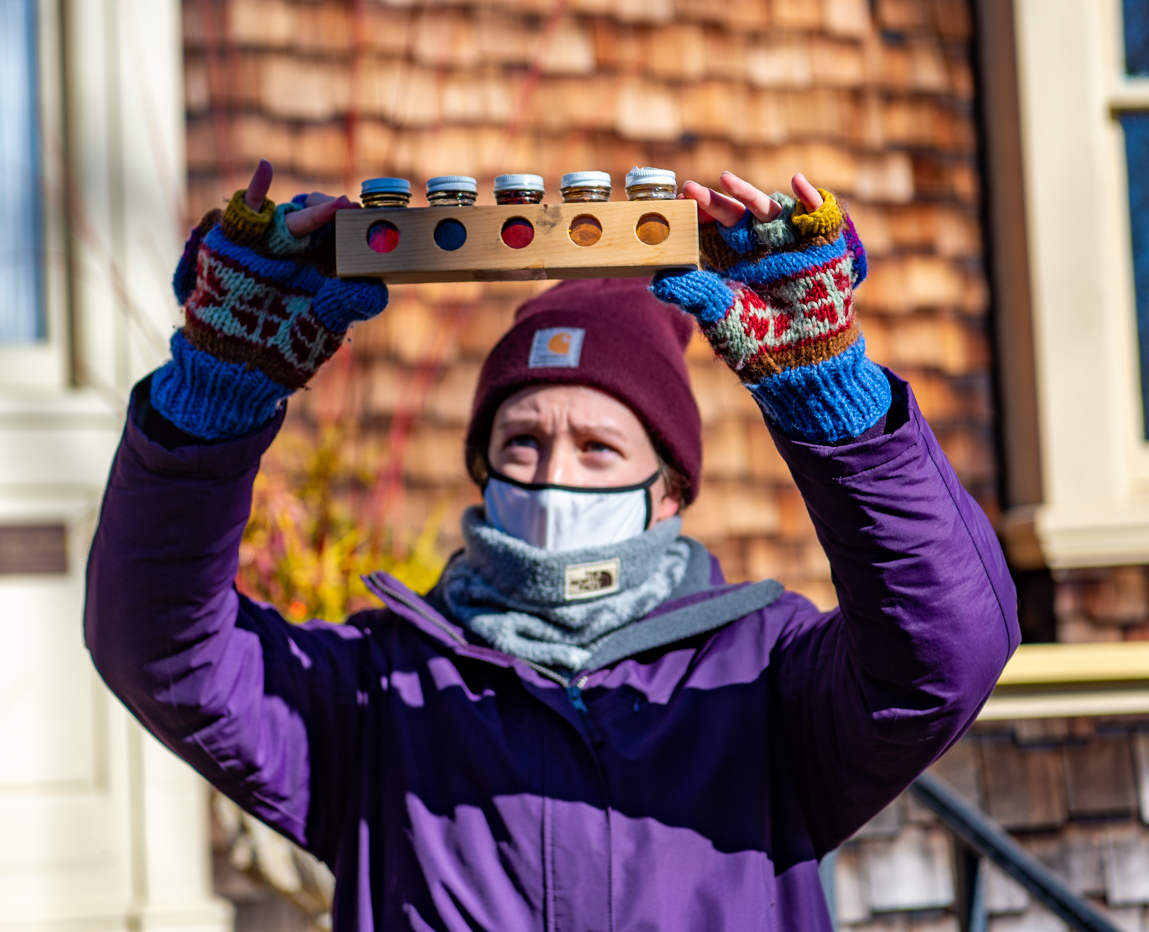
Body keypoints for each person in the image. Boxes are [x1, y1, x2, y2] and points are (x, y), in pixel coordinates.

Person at [85, 159, 1017, 931]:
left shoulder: (766, 679)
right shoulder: (381, 688)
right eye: (521, 440)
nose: (552, 472)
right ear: (481, 467)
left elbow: (946, 650)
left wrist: (829, 393)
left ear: (669, 493)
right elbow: (162, 648)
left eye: (599, 445)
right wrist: (214, 396)